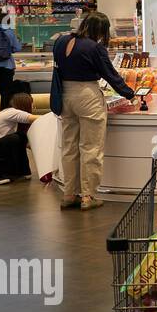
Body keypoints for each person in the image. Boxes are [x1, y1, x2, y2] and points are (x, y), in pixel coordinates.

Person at [53, 12, 134, 210]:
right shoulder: (95, 47)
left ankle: (69, 194)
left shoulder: (61, 41)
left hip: (65, 95)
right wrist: (130, 94)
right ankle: (88, 196)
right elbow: (110, 75)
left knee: (69, 146)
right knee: (90, 147)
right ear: (102, 30)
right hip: (87, 95)